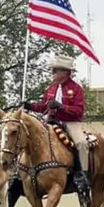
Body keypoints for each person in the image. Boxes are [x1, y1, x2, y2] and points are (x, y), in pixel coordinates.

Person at [23, 56, 89, 193]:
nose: (52, 73)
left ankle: (82, 173)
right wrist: (30, 106)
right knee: (28, 137)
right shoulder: (51, 88)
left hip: (70, 122)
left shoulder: (76, 89)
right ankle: (23, 172)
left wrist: (61, 107)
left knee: (81, 143)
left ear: (65, 72)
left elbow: (78, 110)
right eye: (53, 70)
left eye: (55, 70)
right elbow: (43, 106)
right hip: (50, 121)